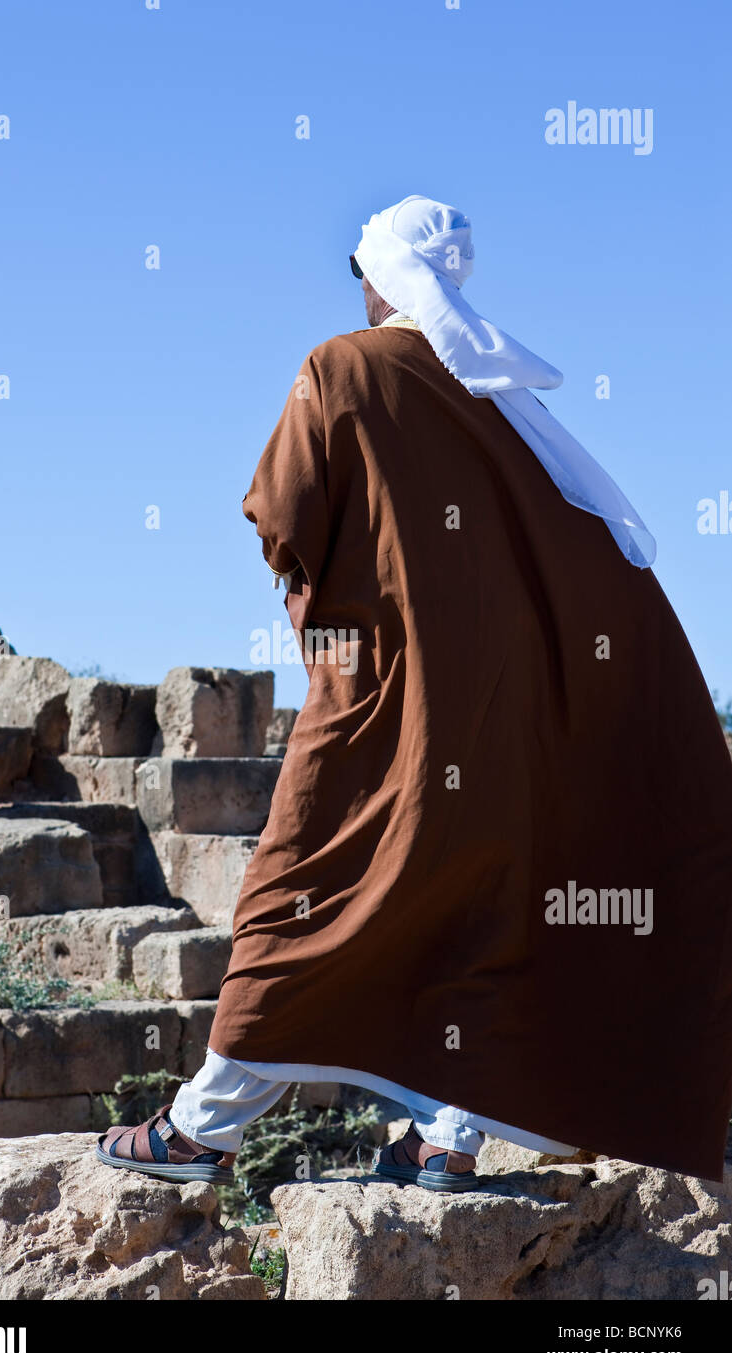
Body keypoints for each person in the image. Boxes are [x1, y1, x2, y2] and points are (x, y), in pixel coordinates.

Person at [98, 196, 732, 1192]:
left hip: (384, 705)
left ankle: (199, 1130)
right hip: (503, 729)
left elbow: (280, 514)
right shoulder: (509, 407)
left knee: (295, 891)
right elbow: (594, 563)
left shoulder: (342, 366)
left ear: (380, 274)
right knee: (473, 913)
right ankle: (444, 1140)